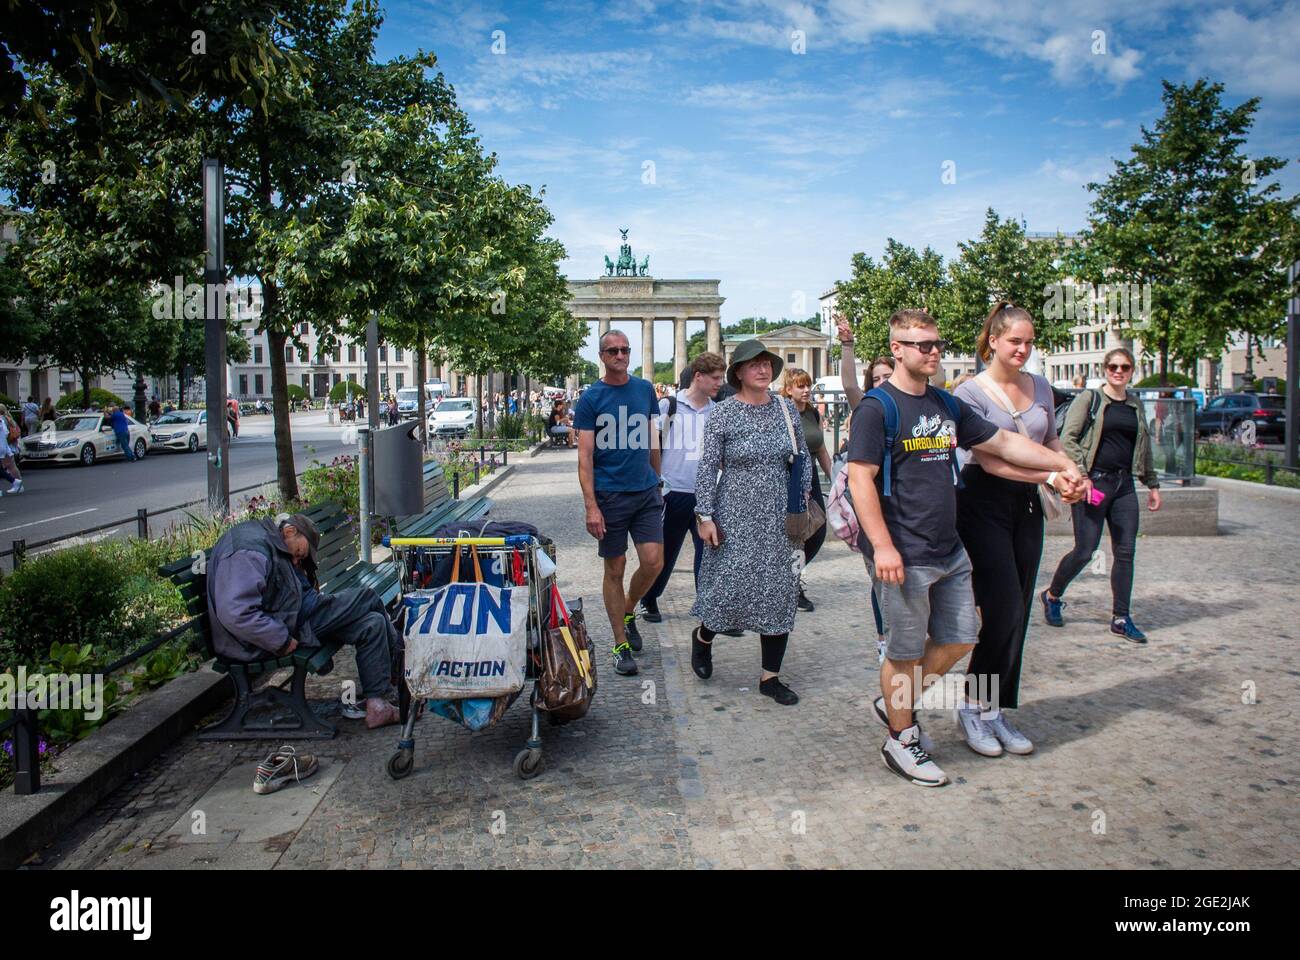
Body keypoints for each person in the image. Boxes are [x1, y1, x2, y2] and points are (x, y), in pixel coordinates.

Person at [846, 308, 1085, 787]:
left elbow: (1004, 443)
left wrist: (1062, 465)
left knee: (959, 639)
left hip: (948, 547)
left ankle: (898, 704)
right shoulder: (878, 407)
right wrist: (883, 546)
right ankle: (901, 739)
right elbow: (859, 479)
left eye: (936, 344)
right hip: (903, 551)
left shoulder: (945, 403)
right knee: (905, 650)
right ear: (897, 349)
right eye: (921, 345)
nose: (932, 351)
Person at [952, 303, 1087, 758]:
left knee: (1021, 606)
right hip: (982, 501)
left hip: (1025, 506)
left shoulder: (1042, 386)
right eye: (1015, 341)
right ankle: (972, 705)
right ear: (993, 339)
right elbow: (991, 457)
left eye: (1029, 342)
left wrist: (1066, 470)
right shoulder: (969, 392)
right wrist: (1053, 474)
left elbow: (1047, 439)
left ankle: (994, 709)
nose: (1023, 350)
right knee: (1003, 607)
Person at [690, 339, 810, 706]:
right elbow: (708, 467)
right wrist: (705, 515)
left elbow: (801, 457)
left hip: (779, 515)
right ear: (738, 372)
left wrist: (801, 501)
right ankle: (704, 637)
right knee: (727, 588)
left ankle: (770, 676)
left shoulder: (787, 410)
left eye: (767, 363)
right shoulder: (723, 414)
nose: (763, 369)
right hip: (734, 513)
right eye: (754, 364)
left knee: (778, 591)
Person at [207, 513, 402, 729]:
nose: (296, 560)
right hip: (268, 636)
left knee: (371, 623)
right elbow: (236, 612)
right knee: (367, 597)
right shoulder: (249, 550)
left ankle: (378, 705)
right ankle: (400, 667)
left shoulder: (270, 540)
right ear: (290, 531)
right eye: (300, 553)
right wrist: (280, 640)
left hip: (292, 619)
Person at [1043, 347, 1162, 643]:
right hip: (1092, 484)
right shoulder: (1091, 399)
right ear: (1105, 369)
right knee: (1085, 550)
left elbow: (1143, 448)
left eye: (1124, 367)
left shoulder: (1135, 405)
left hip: (1124, 487)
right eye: (1113, 367)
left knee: (1125, 552)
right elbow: (1067, 438)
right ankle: (1052, 595)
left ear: (1132, 370)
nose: (1118, 372)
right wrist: (1082, 475)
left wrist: (1153, 483)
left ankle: (1121, 618)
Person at [574, 329, 664, 677]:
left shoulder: (644, 390)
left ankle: (629, 609)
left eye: (625, 349)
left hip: (645, 492)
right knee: (615, 568)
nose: (620, 355)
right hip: (609, 495)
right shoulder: (591, 398)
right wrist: (591, 506)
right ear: (602, 356)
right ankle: (619, 643)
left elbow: (652, 441)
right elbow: (584, 457)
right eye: (613, 350)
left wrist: (658, 482)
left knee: (654, 562)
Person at [639, 352, 726, 624]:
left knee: (709, 552)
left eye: (722, 378)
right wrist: (653, 482)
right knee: (665, 552)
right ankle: (649, 598)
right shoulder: (669, 406)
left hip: (707, 494)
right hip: (672, 491)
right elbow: (648, 443)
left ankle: (708, 608)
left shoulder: (718, 412)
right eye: (715, 378)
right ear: (698, 376)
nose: (719, 383)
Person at [835, 316, 895, 662]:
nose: (883, 382)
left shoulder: (918, 402)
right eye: (877, 378)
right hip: (875, 501)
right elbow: (848, 385)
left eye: (889, 376)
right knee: (880, 575)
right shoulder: (870, 407)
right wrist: (847, 345)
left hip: (912, 504)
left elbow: (940, 379)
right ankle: (883, 635)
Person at [780, 368, 831, 612]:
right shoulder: (781, 413)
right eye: (801, 386)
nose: (807, 390)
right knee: (794, 534)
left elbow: (820, 448)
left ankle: (790, 578)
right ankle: (791, 584)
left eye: (808, 385)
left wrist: (835, 478)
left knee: (817, 532)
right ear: (788, 389)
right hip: (792, 478)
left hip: (812, 478)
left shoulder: (812, 413)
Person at [0, 405, 23, 493]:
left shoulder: (2, 419)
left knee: (9, 467)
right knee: (10, 466)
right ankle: (16, 482)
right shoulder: (5, 418)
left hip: (3, 446)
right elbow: (6, 433)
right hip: (5, 446)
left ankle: (16, 482)